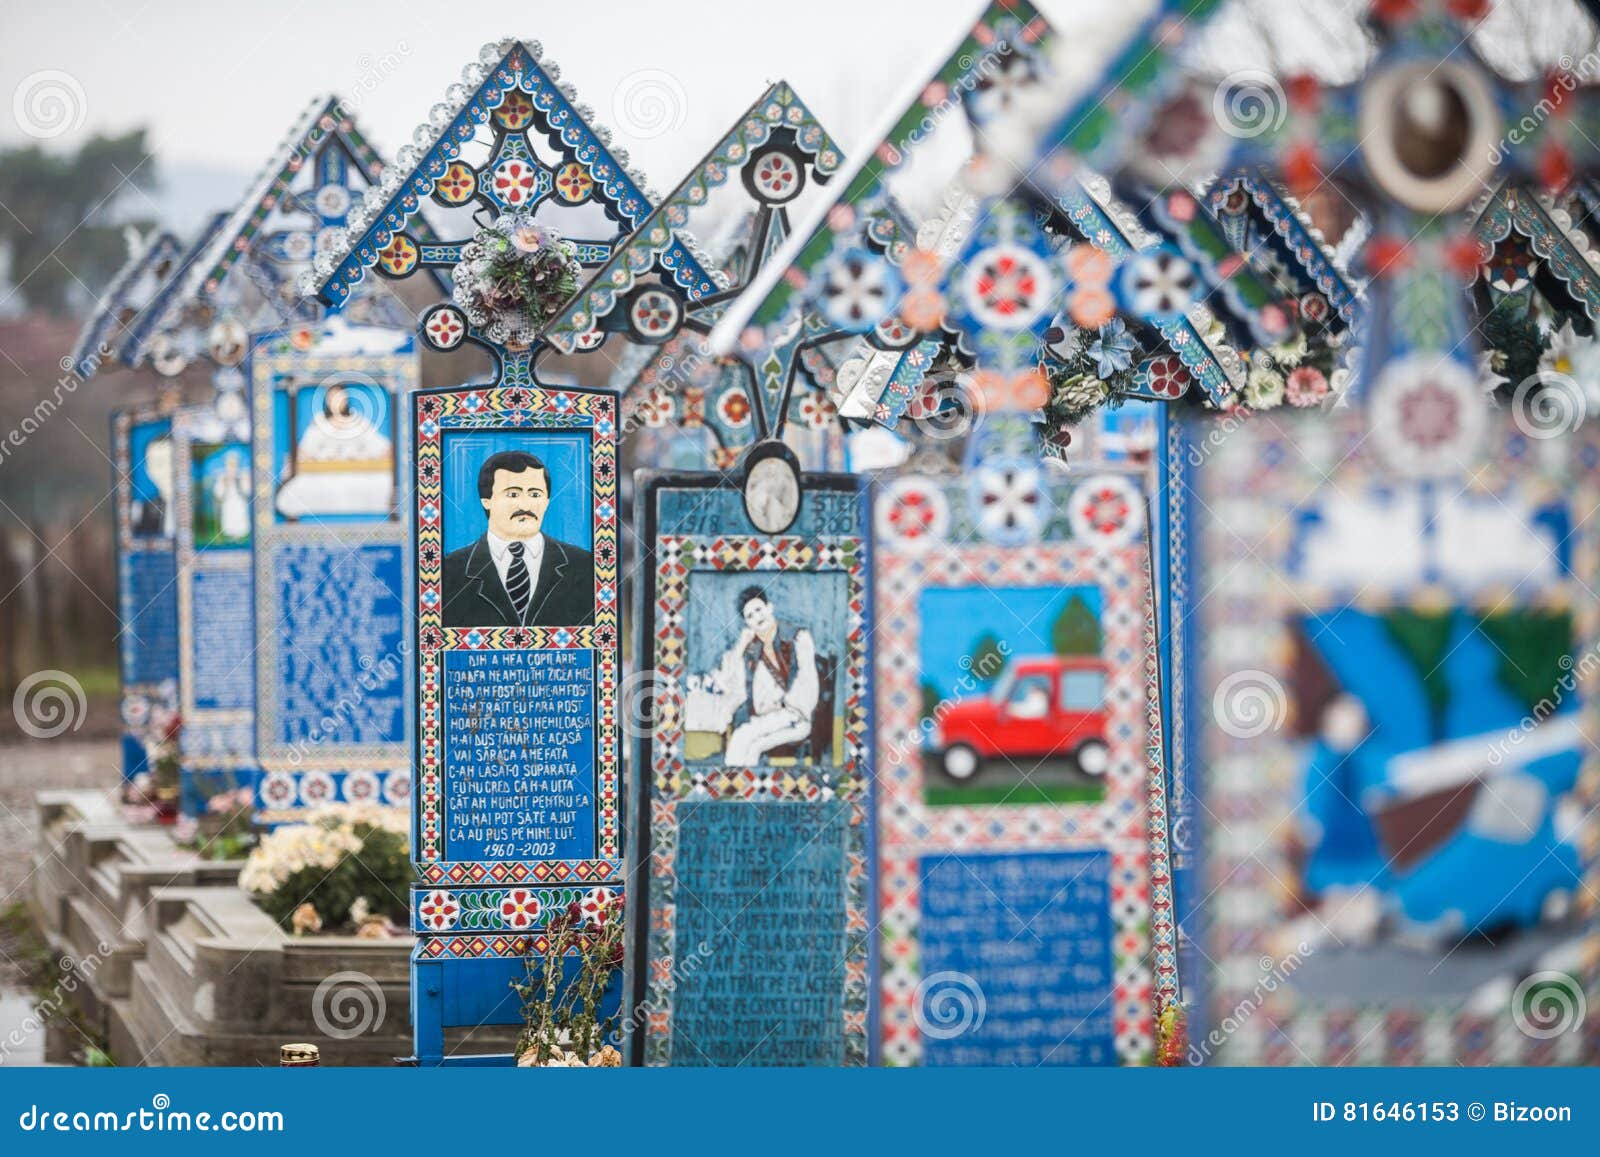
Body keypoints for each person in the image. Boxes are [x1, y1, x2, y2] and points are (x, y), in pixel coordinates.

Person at [441, 449, 594, 627]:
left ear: (546, 501)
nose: (525, 504)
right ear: (486, 500)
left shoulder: (585, 566)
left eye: (535, 494)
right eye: (513, 494)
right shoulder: (449, 571)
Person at [696, 585, 819, 766]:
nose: (757, 617)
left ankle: (731, 785)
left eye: (759, 610)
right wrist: (740, 645)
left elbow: (807, 679)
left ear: (770, 608)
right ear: (747, 623)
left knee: (741, 736)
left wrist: (790, 707)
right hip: (768, 719)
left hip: (796, 716)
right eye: (750, 616)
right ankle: (737, 789)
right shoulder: (751, 649)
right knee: (752, 748)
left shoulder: (798, 637)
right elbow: (725, 681)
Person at [275, 383, 395, 518]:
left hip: (355, 471)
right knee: (300, 488)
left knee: (383, 484)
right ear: (327, 401)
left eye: (340, 397)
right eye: (332, 398)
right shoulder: (319, 422)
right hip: (324, 472)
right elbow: (305, 450)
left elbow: (380, 446)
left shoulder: (358, 421)